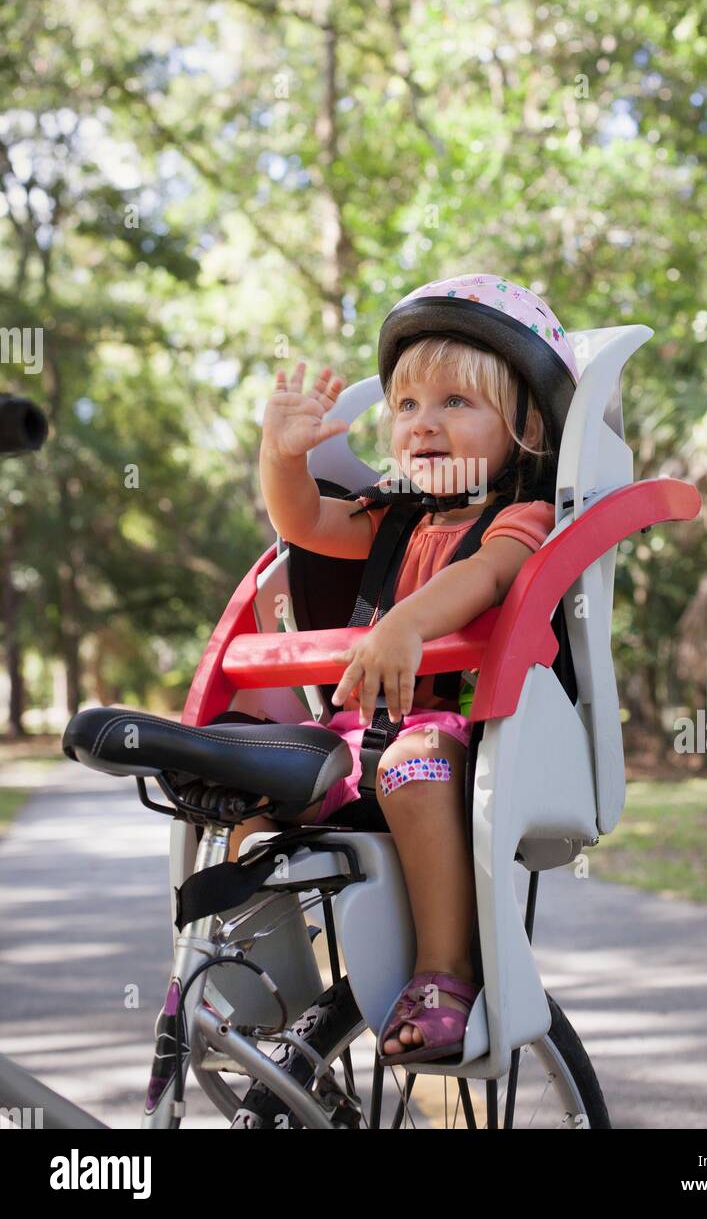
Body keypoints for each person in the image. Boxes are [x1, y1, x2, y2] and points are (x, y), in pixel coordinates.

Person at [242, 272, 579, 1067]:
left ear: (526, 427)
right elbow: (303, 523)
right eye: (407, 406)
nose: (424, 424)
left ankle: (446, 974)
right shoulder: (390, 518)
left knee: (413, 761)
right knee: (248, 786)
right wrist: (280, 456)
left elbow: (486, 578)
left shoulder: (518, 518)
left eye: (456, 404)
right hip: (356, 741)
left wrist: (404, 623)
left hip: (458, 739)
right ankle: (258, 982)